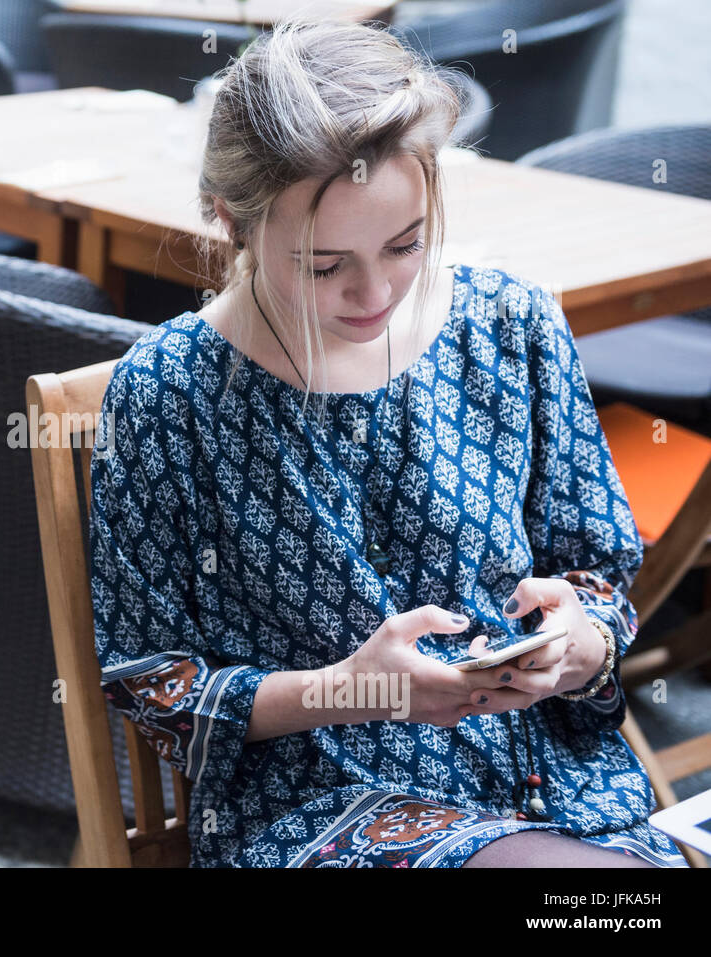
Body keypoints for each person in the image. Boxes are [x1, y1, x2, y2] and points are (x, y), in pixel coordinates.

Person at [87, 19, 689, 868]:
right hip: (326, 803)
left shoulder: (508, 323)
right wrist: (356, 689)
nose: (374, 292)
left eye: (404, 244)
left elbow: (596, 575)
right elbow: (154, 684)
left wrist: (579, 641)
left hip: (549, 780)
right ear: (231, 221)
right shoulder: (166, 393)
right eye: (324, 264)